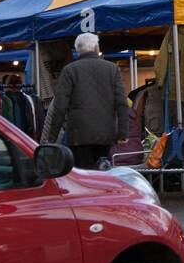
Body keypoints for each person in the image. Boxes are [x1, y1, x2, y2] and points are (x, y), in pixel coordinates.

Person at [41, 32, 128, 170]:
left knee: (83, 173)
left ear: (77, 50)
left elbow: (60, 106)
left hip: (78, 134)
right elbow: (122, 103)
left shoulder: (69, 70)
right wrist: (123, 133)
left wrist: (52, 137)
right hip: (105, 133)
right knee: (103, 172)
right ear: (96, 48)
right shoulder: (112, 69)